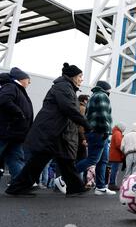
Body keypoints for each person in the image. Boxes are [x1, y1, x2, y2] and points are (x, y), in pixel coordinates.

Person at [6, 63, 90, 197]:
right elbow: (69, 109)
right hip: (50, 131)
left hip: (56, 132)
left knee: (64, 160)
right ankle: (17, 188)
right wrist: (87, 125)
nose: (81, 79)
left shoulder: (66, 87)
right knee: (39, 162)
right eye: (80, 76)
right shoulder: (63, 87)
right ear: (72, 76)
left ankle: (75, 187)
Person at [74, 80, 114, 196]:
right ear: (106, 89)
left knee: (102, 161)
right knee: (92, 159)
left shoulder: (93, 96)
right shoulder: (102, 96)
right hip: (100, 132)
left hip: (95, 132)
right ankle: (65, 177)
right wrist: (107, 130)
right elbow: (104, 115)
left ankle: (100, 187)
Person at [0, 67, 33, 182]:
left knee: (16, 158)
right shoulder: (11, 87)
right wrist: (19, 113)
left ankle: (20, 185)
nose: (29, 82)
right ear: (21, 78)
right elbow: (3, 100)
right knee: (15, 158)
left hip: (16, 134)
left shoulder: (18, 89)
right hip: (6, 131)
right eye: (28, 79)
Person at [108, 123, 126, 191]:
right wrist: (124, 150)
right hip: (116, 155)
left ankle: (112, 183)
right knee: (114, 170)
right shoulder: (118, 133)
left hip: (114, 154)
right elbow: (119, 144)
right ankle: (112, 184)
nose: (123, 131)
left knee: (114, 170)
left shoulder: (115, 132)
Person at [76, 95, 90, 162]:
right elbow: (81, 124)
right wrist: (83, 138)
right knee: (82, 158)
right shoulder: (83, 108)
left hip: (74, 135)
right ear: (84, 100)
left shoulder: (76, 106)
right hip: (79, 136)